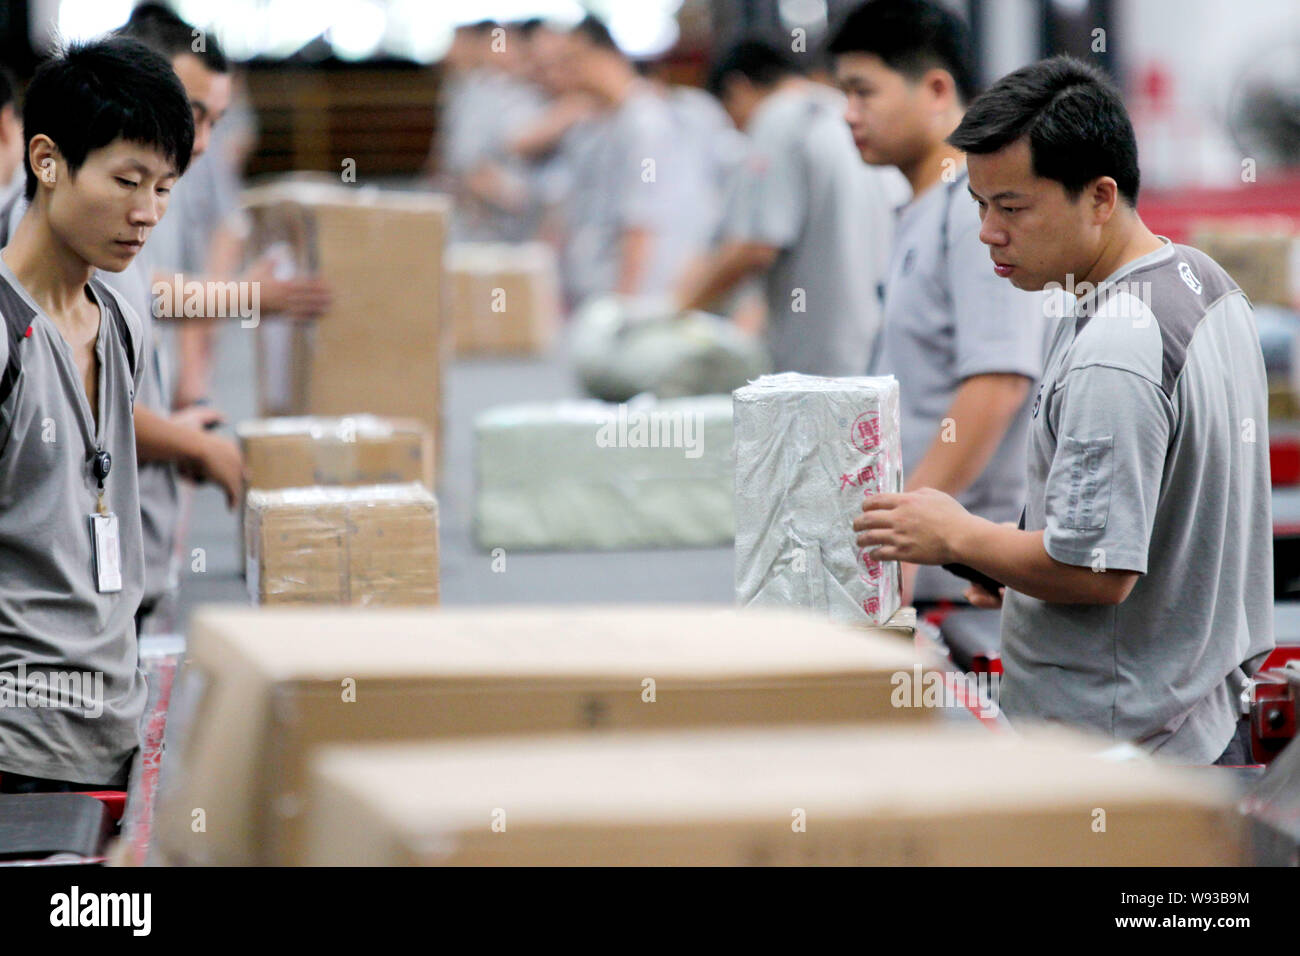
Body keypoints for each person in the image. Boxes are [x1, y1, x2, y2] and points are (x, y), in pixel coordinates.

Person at [853, 55, 1274, 765]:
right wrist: (1003, 564)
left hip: (1125, 752)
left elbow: (1096, 574)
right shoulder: (1199, 282)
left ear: (1100, 196)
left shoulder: (1116, 348)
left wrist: (956, 535)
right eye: (980, 206)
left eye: (1012, 208)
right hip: (1197, 710)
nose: (989, 232)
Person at [0, 37, 193, 792]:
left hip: (113, 724)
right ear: (47, 162)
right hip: (17, 747)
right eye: (126, 181)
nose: (146, 213)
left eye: (165, 188)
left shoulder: (118, 314)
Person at [829, 0, 1051, 606]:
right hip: (927, 569)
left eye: (863, 92)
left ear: (935, 89)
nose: (849, 114)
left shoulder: (971, 211)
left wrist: (902, 529)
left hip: (965, 581)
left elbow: (999, 379)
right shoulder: (923, 209)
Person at [677, 39, 901, 377]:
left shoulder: (779, 118)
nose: (737, 128)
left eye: (730, 116)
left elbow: (755, 247)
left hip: (824, 360)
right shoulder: (841, 111)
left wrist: (678, 311)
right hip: (878, 346)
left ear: (738, 88)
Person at [558, 15, 718, 304]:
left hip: (639, 294)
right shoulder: (597, 123)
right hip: (596, 291)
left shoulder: (644, 123)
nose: (565, 73)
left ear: (602, 56)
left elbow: (642, 217)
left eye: (572, 61)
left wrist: (625, 306)